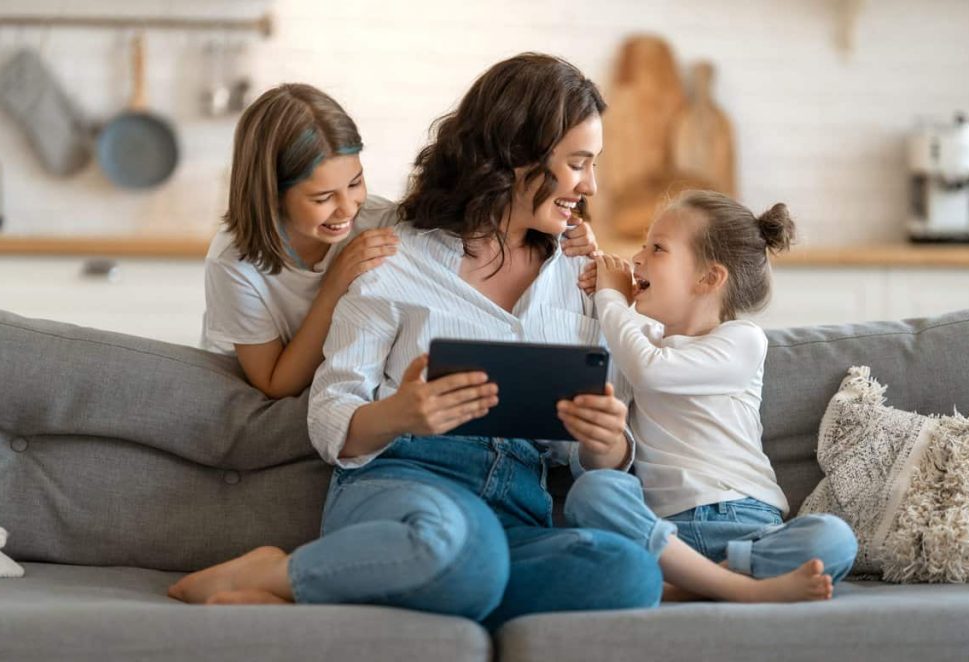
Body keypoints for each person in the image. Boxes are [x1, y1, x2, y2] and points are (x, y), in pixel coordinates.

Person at [168, 54, 661, 629]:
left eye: (593, 164)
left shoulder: (583, 279)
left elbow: (586, 453)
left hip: (515, 505)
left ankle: (413, 582)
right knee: (462, 550)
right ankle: (278, 573)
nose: (591, 184)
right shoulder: (395, 250)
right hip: (402, 482)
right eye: (577, 163)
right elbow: (330, 410)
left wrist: (604, 448)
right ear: (515, 156)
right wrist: (398, 414)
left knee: (630, 573)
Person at [201, 82, 603, 398]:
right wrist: (335, 284)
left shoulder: (379, 219)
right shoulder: (234, 261)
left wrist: (569, 231)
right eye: (323, 198)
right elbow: (274, 383)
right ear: (271, 194)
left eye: (356, 182)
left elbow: (465, 219)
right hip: (269, 382)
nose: (347, 208)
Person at [567, 190, 858, 602]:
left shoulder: (742, 340)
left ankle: (694, 584)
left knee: (835, 538)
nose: (636, 259)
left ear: (708, 278)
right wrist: (586, 257)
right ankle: (730, 586)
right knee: (592, 493)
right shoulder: (632, 343)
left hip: (747, 526)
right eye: (643, 246)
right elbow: (625, 375)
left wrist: (611, 298)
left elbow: (652, 370)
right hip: (663, 534)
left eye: (657, 248)